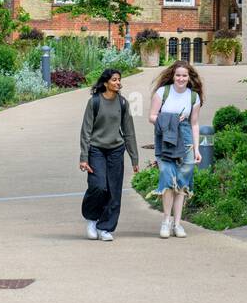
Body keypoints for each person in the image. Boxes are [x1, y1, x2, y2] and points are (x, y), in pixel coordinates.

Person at [79, 69, 140, 241]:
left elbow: (129, 132)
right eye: (114, 80)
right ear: (106, 83)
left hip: (116, 150)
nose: (118, 82)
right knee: (99, 186)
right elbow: (86, 131)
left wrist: (134, 157)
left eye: (119, 79)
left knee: (114, 190)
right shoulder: (94, 102)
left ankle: (105, 227)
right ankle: (92, 218)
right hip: (96, 149)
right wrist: (84, 157)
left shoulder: (122, 103)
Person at [148, 60, 203, 238]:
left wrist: (197, 149)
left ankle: (178, 224)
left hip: (186, 139)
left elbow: (194, 124)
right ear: (173, 76)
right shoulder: (162, 92)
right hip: (165, 140)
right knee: (167, 178)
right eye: (178, 75)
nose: (181, 78)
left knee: (182, 182)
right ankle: (166, 221)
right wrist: (170, 120)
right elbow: (152, 116)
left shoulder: (193, 97)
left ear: (189, 77)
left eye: (184, 75)